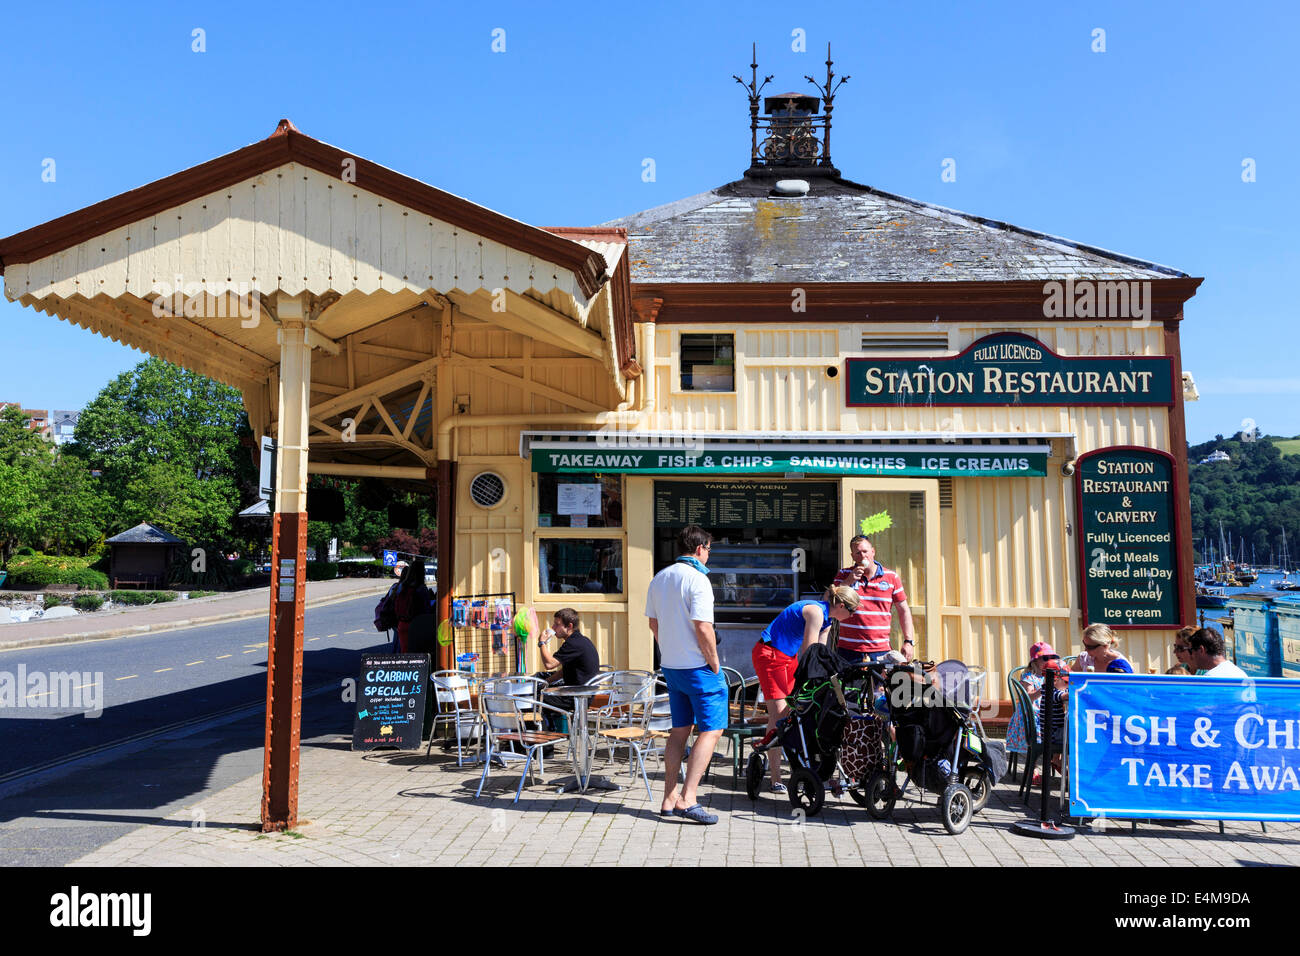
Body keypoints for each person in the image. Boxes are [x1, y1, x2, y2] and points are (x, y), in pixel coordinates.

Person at [645, 525, 726, 825]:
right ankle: (688, 798)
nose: (709, 555)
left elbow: (653, 624)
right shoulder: (698, 579)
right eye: (709, 550)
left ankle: (668, 797)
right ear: (701, 548)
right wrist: (714, 662)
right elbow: (703, 627)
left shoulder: (659, 578)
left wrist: (669, 650)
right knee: (712, 730)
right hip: (699, 668)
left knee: (679, 730)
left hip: (672, 666)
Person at [752, 585, 862, 792]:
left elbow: (820, 654)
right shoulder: (816, 612)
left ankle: (802, 769)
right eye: (852, 611)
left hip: (788, 656)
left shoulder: (829, 620)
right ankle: (775, 777)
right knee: (778, 713)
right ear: (840, 605)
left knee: (796, 710)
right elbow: (810, 651)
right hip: (770, 654)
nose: (853, 615)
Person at [832, 535, 916, 666]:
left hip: (880, 650)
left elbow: (903, 611)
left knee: (880, 687)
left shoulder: (891, 577)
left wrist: (908, 641)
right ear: (853, 556)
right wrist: (848, 581)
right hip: (848, 649)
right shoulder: (844, 574)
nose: (862, 556)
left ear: (873, 551)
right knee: (848, 687)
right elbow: (832, 601)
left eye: (865, 551)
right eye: (857, 553)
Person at [534, 608, 600, 729]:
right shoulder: (580, 640)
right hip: (581, 692)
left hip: (578, 696)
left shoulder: (574, 643)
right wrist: (546, 682)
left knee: (534, 698)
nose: (553, 628)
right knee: (539, 688)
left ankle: (543, 740)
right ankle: (550, 732)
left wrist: (542, 643)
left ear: (569, 626)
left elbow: (549, 664)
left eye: (557, 624)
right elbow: (565, 671)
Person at [1006, 641, 1056, 760]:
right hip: (1030, 713)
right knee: (1042, 720)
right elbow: (1029, 696)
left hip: (1046, 710)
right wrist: (1044, 687)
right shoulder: (1029, 677)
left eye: (1052, 658)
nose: (1049, 660)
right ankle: (1033, 764)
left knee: (1061, 720)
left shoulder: (1052, 675)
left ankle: (1056, 759)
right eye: (1045, 658)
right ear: (1035, 661)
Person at [393, 558, 434, 652]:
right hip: (417, 624)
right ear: (421, 572)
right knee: (417, 655)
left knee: (405, 652)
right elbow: (426, 609)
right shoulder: (421, 588)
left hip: (402, 623)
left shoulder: (402, 586)